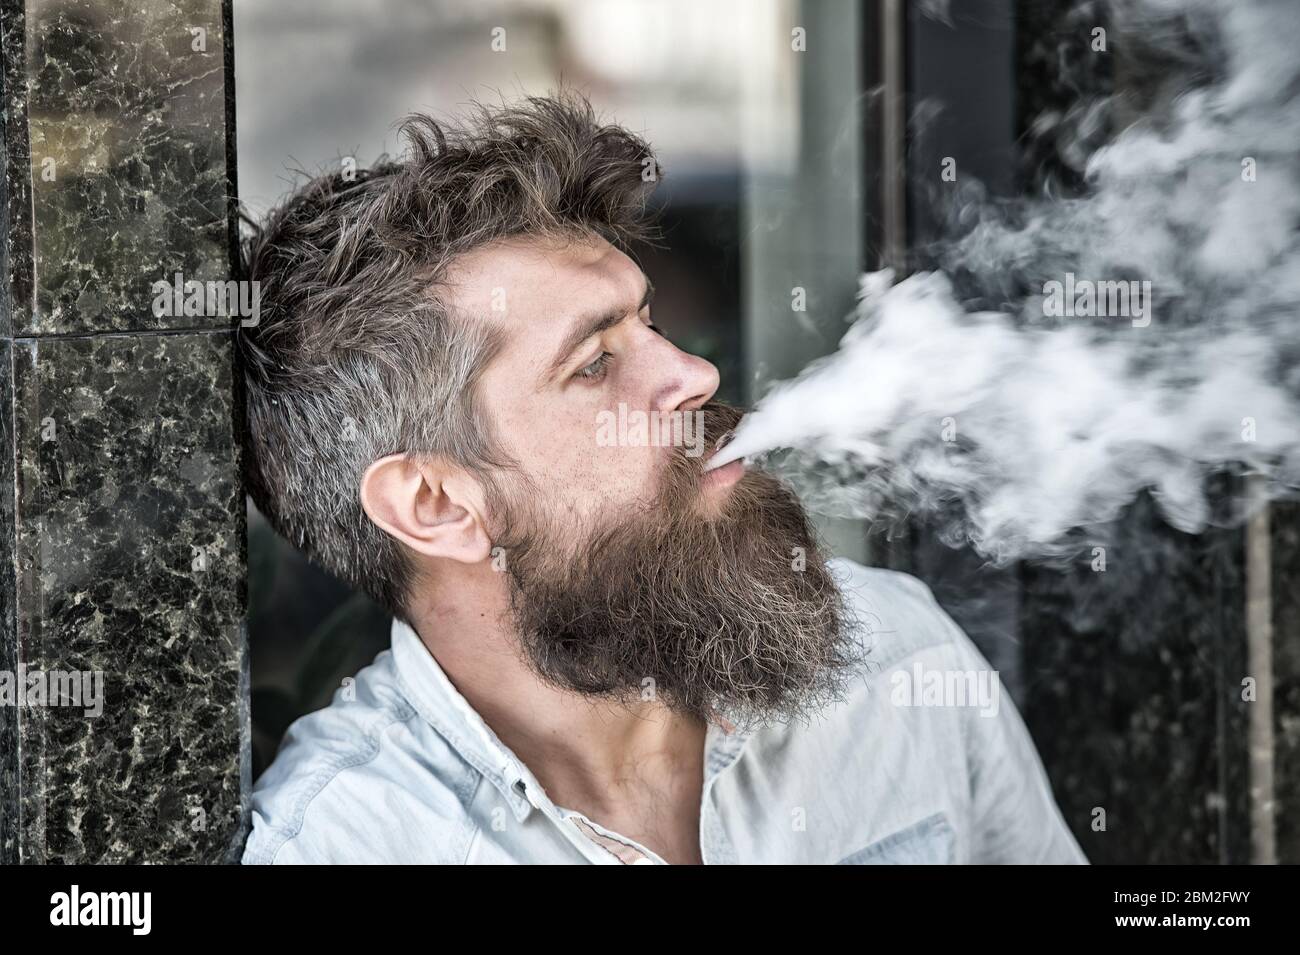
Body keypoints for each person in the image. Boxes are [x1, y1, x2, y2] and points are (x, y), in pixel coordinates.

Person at [238, 92, 1085, 865]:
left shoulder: (901, 663)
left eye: (649, 321)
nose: (693, 374)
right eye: (595, 363)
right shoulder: (348, 847)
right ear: (437, 504)